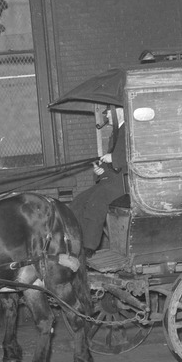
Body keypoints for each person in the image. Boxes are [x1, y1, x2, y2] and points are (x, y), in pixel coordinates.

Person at [71, 106, 127, 253]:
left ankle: (89, 246)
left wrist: (113, 158)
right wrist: (100, 171)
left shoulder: (129, 131)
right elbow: (111, 166)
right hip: (111, 180)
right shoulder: (115, 133)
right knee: (78, 201)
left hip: (123, 183)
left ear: (119, 112)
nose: (107, 115)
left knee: (96, 202)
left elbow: (133, 156)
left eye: (108, 111)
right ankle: (76, 242)